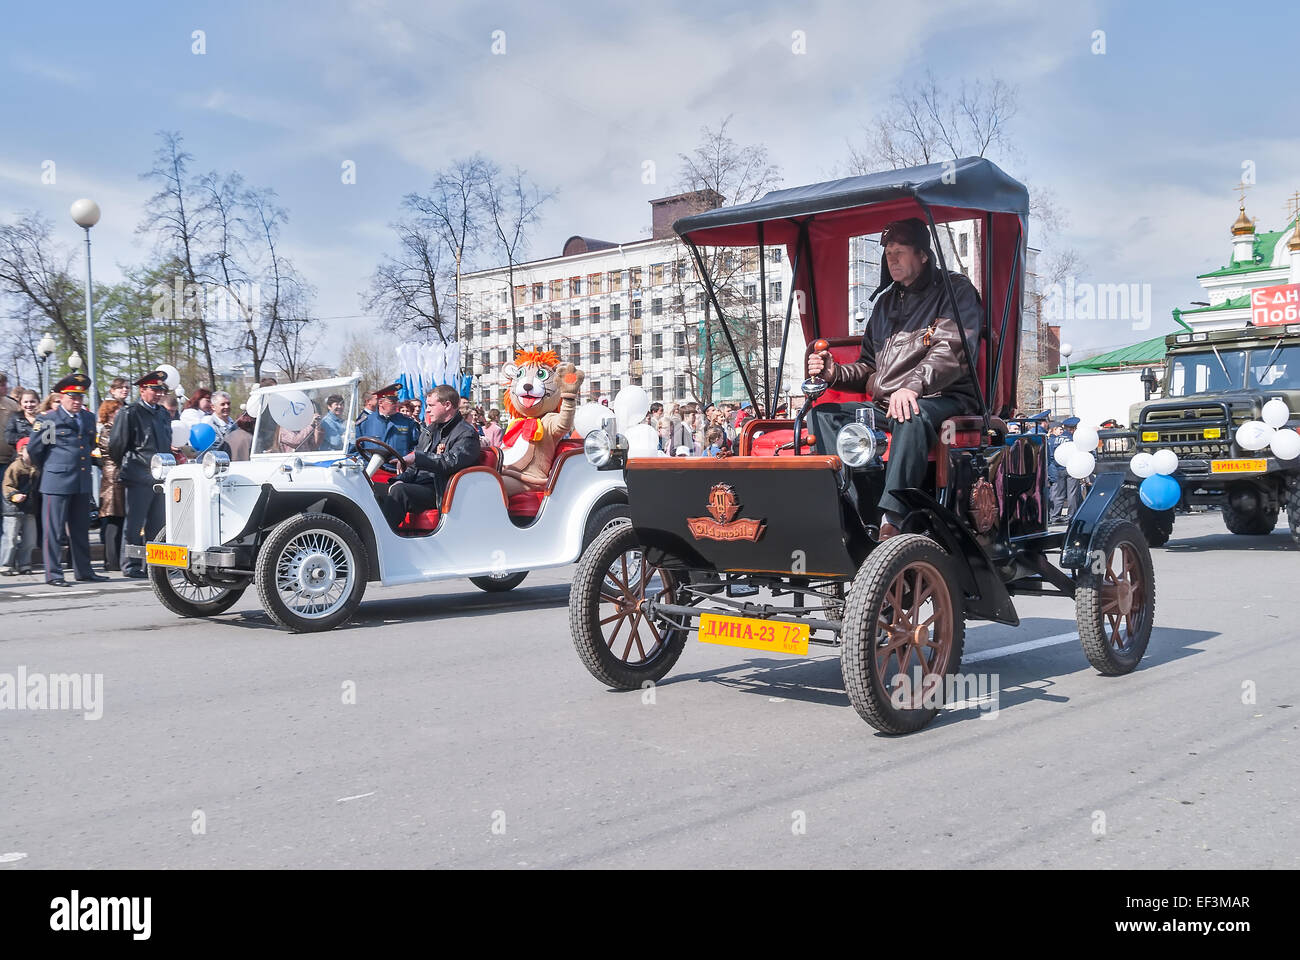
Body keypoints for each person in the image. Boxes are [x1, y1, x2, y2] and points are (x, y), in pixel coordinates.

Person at [806, 217, 983, 540]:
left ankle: (893, 518)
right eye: (888, 252)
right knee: (822, 416)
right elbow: (869, 369)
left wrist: (913, 386)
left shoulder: (955, 291)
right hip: (889, 404)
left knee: (909, 413)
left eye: (900, 251)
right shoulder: (885, 302)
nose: (892, 259)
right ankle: (851, 510)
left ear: (924, 255)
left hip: (945, 398)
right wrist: (835, 374)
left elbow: (954, 350)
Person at [27, 373, 104, 585]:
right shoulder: (49, 420)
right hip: (56, 482)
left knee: (80, 529)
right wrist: (52, 469)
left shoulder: (87, 418)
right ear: (61, 397)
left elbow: (89, 444)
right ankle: (54, 574)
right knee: (54, 530)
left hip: (80, 481)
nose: (77, 401)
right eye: (73, 397)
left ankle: (84, 571)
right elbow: (36, 450)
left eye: (80, 398)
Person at [380, 385, 481, 529]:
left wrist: (417, 458)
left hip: (442, 490)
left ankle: (380, 538)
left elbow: (450, 462)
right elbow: (414, 467)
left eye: (431, 405)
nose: (427, 410)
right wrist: (399, 480)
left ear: (447, 405)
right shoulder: (430, 431)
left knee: (399, 492)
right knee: (377, 489)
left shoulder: (466, 434)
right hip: (423, 485)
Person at [110, 370, 175, 579]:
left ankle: (154, 565)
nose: (158, 394)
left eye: (160, 390)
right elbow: (117, 445)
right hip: (138, 475)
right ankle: (131, 564)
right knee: (134, 524)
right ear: (142, 389)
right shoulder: (130, 413)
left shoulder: (162, 413)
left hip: (160, 477)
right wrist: (129, 467)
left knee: (157, 525)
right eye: (154, 389)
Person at [1, 437, 40, 575]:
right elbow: (6, 485)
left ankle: (25, 564)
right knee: (10, 538)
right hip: (13, 509)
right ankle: (5, 565)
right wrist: (14, 495)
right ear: (20, 451)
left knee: (30, 540)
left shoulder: (37, 467)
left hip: (29, 508)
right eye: (28, 450)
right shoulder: (15, 466)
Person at [96, 398, 126, 571]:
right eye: (117, 411)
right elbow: (115, 452)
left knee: (118, 519)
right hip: (113, 478)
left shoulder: (114, 430)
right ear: (109, 413)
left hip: (116, 475)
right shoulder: (108, 431)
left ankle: (113, 559)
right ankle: (111, 560)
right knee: (112, 519)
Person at [353, 384, 419, 457]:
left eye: (397, 401)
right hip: (372, 466)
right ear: (381, 403)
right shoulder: (365, 423)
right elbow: (356, 450)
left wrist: (407, 460)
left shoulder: (407, 422)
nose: (397, 405)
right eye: (393, 402)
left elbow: (416, 447)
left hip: (397, 466)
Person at [5, 387, 41, 453]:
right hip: (20, 456)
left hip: (41, 456)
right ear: (21, 403)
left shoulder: (44, 418)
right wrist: (25, 438)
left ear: (38, 402)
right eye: (25, 402)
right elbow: (9, 437)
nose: (29, 405)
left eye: (32, 401)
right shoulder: (15, 417)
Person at [0, 372, 20, 483]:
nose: (6, 388)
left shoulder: (12, 405)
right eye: (2, 385)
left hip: (6, 459)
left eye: (5, 384)